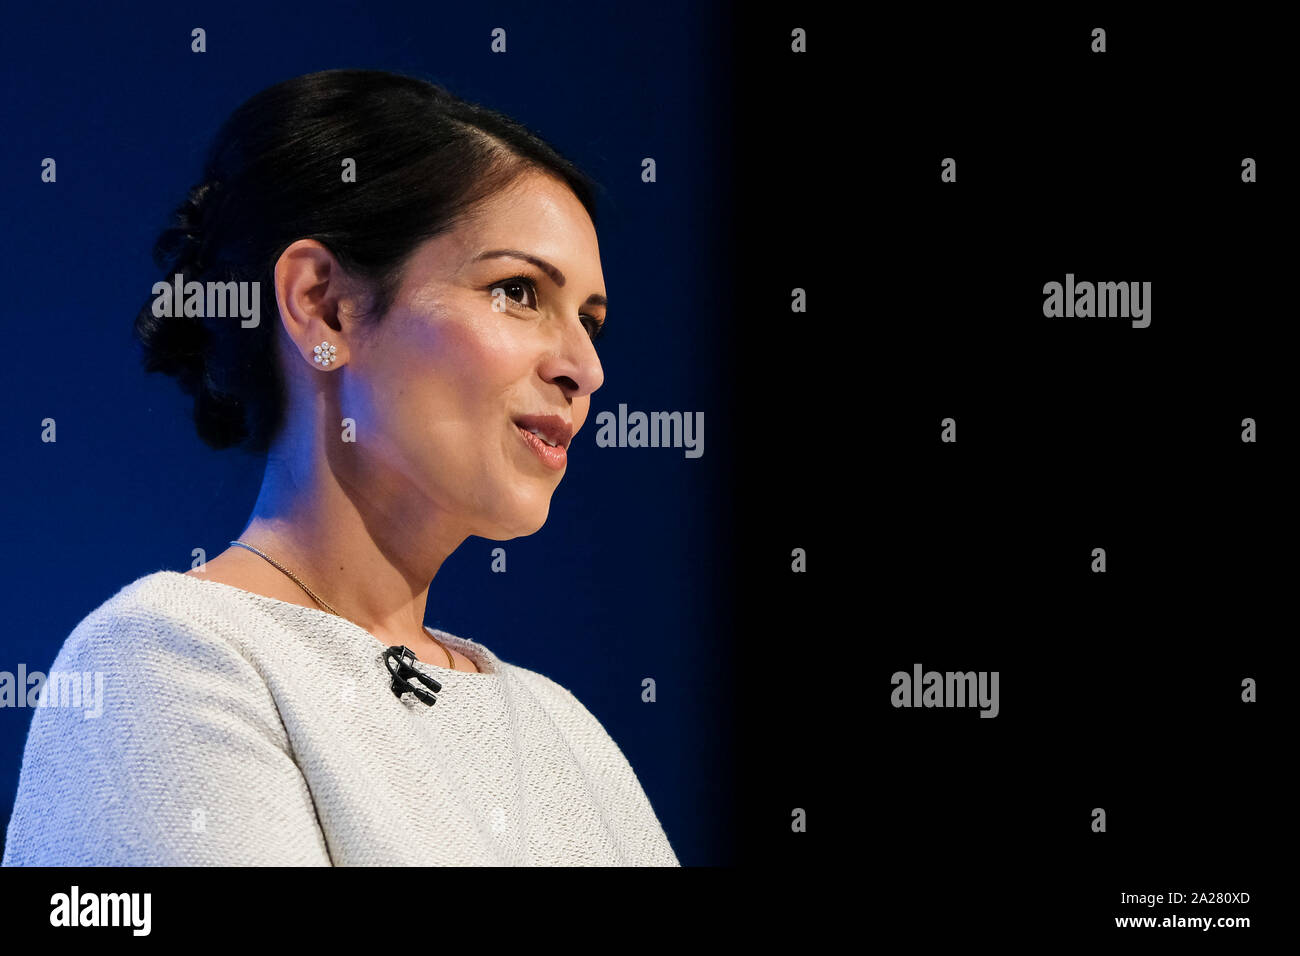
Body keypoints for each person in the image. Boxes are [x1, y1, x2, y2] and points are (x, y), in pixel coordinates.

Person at [2, 69, 678, 866]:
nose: (585, 368)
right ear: (323, 307)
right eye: (518, 291)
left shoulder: (563, 728)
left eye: (590, 322)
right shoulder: (171, 662)